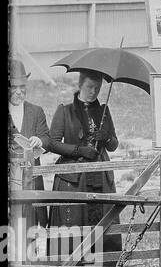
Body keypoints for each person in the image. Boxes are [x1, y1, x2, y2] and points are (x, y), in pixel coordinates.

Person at [47, 72, 120, 256]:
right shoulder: (65, 110)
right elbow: (52, 143)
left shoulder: (104, 111)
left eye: (97, 88)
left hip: (100, 178)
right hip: (73, 179)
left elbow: (113, 145)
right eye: (89, 87)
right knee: (73, 227)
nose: (93, 92)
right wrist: (79, 150)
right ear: (80, 85)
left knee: (103, 224)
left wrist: (107, 137)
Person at [8, 60, 50, 233]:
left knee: (30, 231)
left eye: (22, 86)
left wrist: (40, 141)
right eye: (14, 87)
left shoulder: (36, 111)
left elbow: (48, 139)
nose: (19, 91)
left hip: (31, 182)